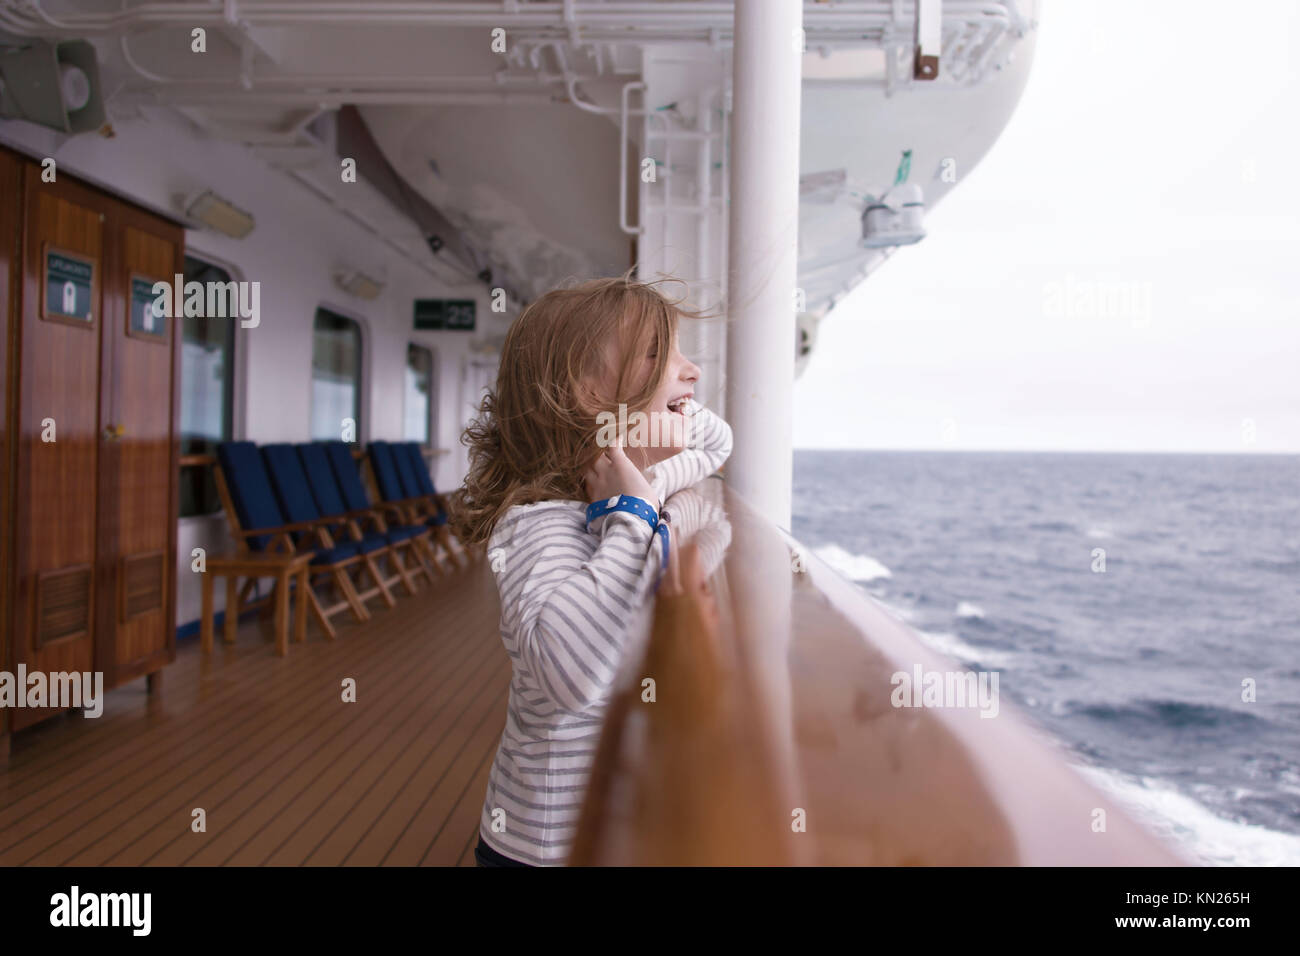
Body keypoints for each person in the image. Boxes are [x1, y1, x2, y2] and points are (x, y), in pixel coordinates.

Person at [449, 273, 733, 866]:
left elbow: (717, 440)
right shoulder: (541, 524)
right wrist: (631, 511)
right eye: (658, 353)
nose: (692, 372)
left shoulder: (635, 475)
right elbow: (571, 675)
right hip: (548, 845)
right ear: (585, 394)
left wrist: (638, 451)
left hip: (611, 827)